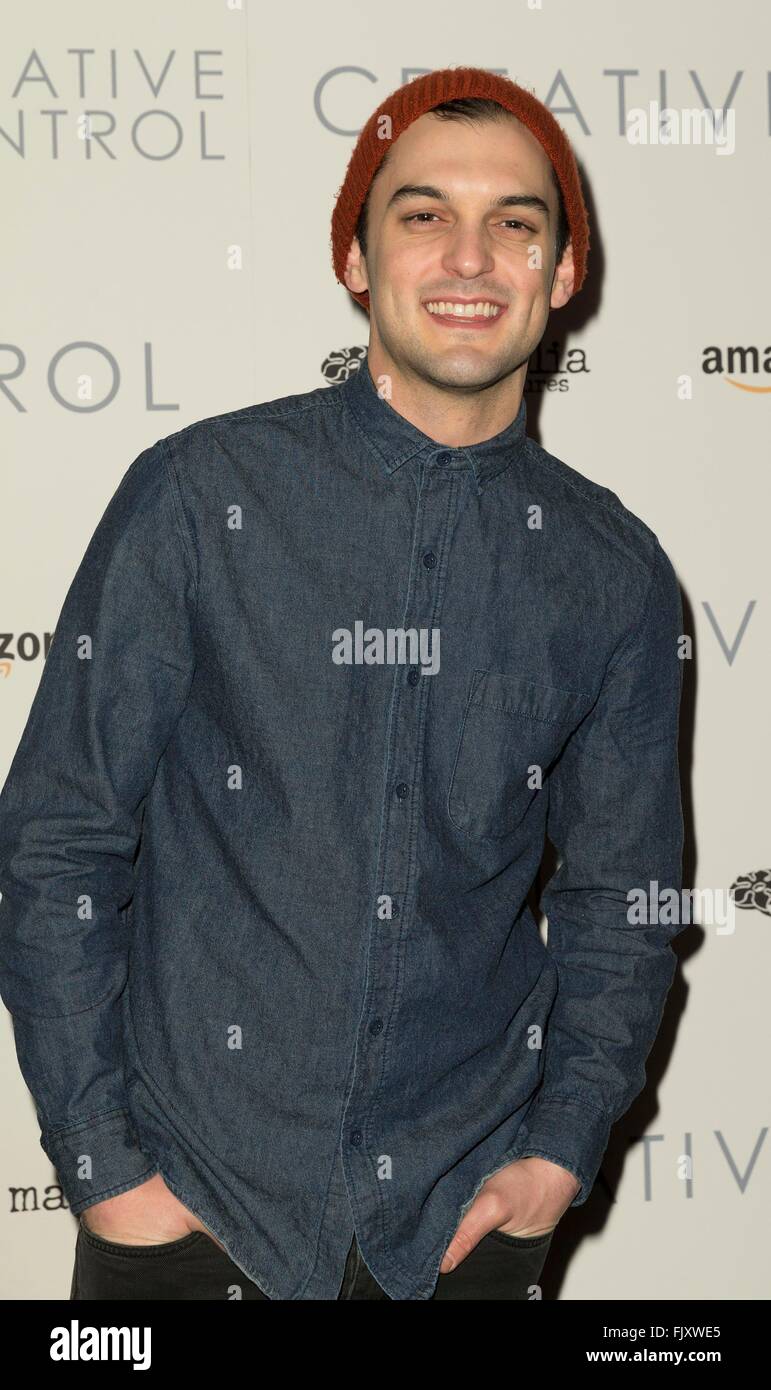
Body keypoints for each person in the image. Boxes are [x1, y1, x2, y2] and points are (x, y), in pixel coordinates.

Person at [0, 66, 685, 1301]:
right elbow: (56, 844)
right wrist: (105, 1171)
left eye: (516, 223)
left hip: (465, 1230)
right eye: (422, 215)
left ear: (562, 273)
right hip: (193, 1218)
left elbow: (627, 898)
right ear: (358, 263)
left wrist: (559, 1150)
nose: (469, 255)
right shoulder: (200, 499)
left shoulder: (615, 574)